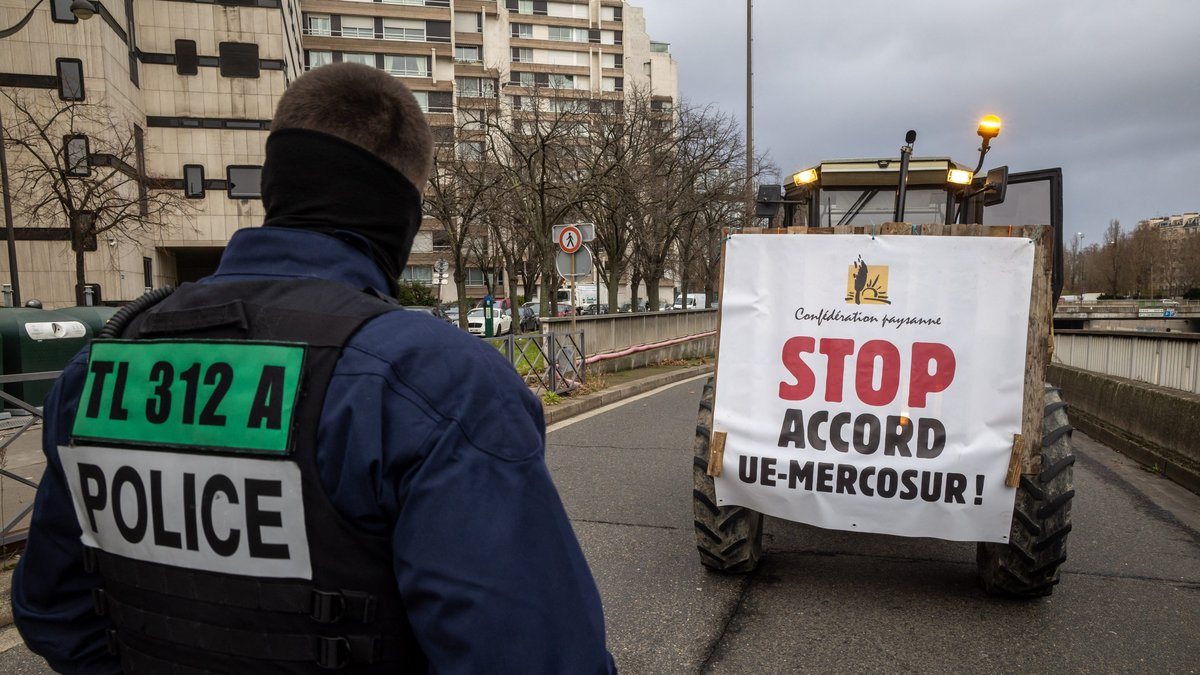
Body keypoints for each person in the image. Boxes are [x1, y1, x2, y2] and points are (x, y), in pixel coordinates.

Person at [12, 63, 616, 674]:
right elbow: (538, 657)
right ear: (403, 203)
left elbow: (54, 609)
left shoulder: (98, 370)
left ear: (277, 182)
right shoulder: (436, 381)